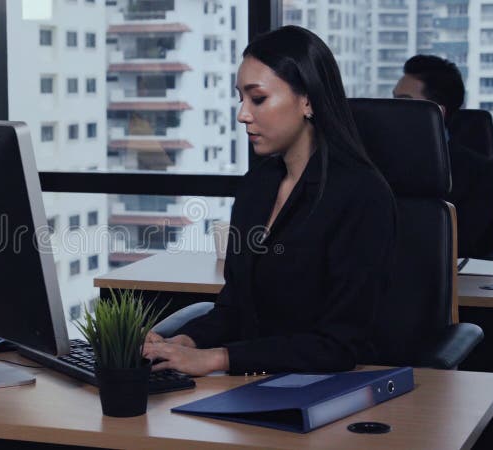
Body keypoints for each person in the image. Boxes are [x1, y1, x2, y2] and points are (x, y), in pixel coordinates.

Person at [142, 26, 397, 377]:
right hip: (253, 383)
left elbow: (339, 345)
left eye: (258, 99)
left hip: (332, 390)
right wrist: (189, 341)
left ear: (307, 100)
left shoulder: (361, 195)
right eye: (240, 99)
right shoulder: (256, 186)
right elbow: (236, 307)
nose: (242, 114)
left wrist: (219, 359)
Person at [393, 55, 493, 257]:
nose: (391, 110)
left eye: (403, 102)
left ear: (436, 112)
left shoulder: (479, 173)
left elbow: (466, 244)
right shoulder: (375, 161)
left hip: (447, 278)